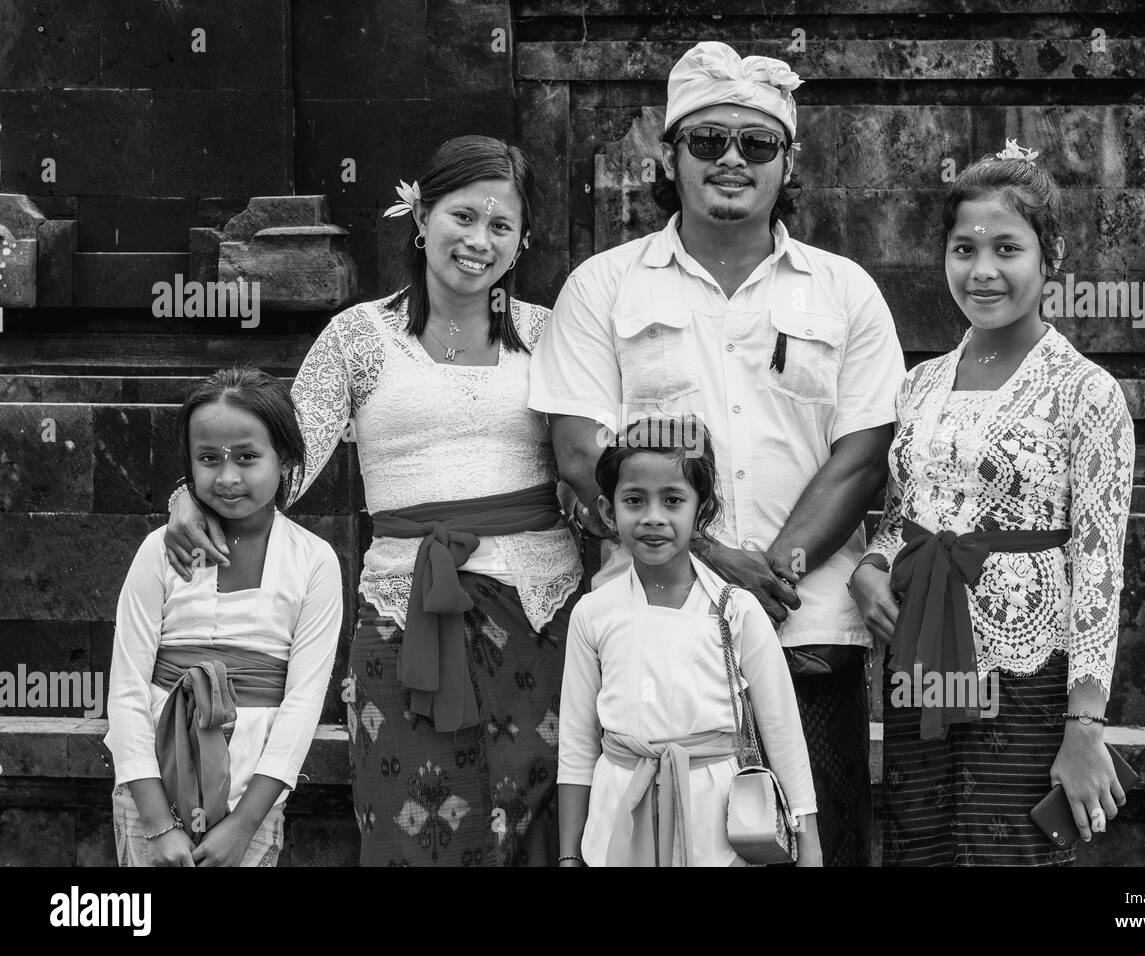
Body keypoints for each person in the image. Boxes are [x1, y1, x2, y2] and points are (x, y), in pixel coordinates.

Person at [529, 41, 905, 866]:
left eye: (757, 143)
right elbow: (581, 451)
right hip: (651, 630)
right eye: (707, 140)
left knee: (815, 842)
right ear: (670, 154)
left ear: (785, 160)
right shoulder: (604, 287)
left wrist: (770, 571)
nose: (732, 160)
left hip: (809, 629)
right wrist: (713, 563)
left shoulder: (844, 292)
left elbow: (863, 452)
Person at [163, 136, 584, 866]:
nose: (478, 241)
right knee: (405, 830)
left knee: (533, 829)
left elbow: (591, 469)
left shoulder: (554, 336)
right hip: (402, 620)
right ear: (420, 217)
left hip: (541, 621)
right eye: (462, 216)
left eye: (501, 226)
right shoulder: (357, 338)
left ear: (522, 242)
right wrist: (193, 496)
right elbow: (282, 465)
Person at [849, 139, 1136, 866]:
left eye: (1007, 248)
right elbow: (900, 515)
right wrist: (870, 566)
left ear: (1052, 256)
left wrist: (1085, 726)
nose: (983, 270)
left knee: (1005, 853)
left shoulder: (1087, 393)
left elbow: (1099, 570)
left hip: (1029, 674)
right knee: (921, 849)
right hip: (919, 660)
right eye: (963, 247)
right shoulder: (920, 384)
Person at [557, 416, 821, 866]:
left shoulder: (735, 611)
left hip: (716, 831)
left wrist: (809, 849)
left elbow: (784, 736)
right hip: (617, 825)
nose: (653, 517)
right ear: (607, 511)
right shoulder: (593, 613)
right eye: (634, 500)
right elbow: (577, 745)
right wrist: (568, 856)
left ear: (702, 511)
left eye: (673, 500)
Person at [106, 366, 343, 867]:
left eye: (248, 457)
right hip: (150, 792)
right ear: (189, 466)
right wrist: (158, 825)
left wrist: (244, 824)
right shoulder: (159, 552)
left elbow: (302, 705)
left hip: (250, 798)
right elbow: (127, 691)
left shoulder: (314, 561)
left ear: (286, 459)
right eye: (208, 459)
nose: (228, 477)